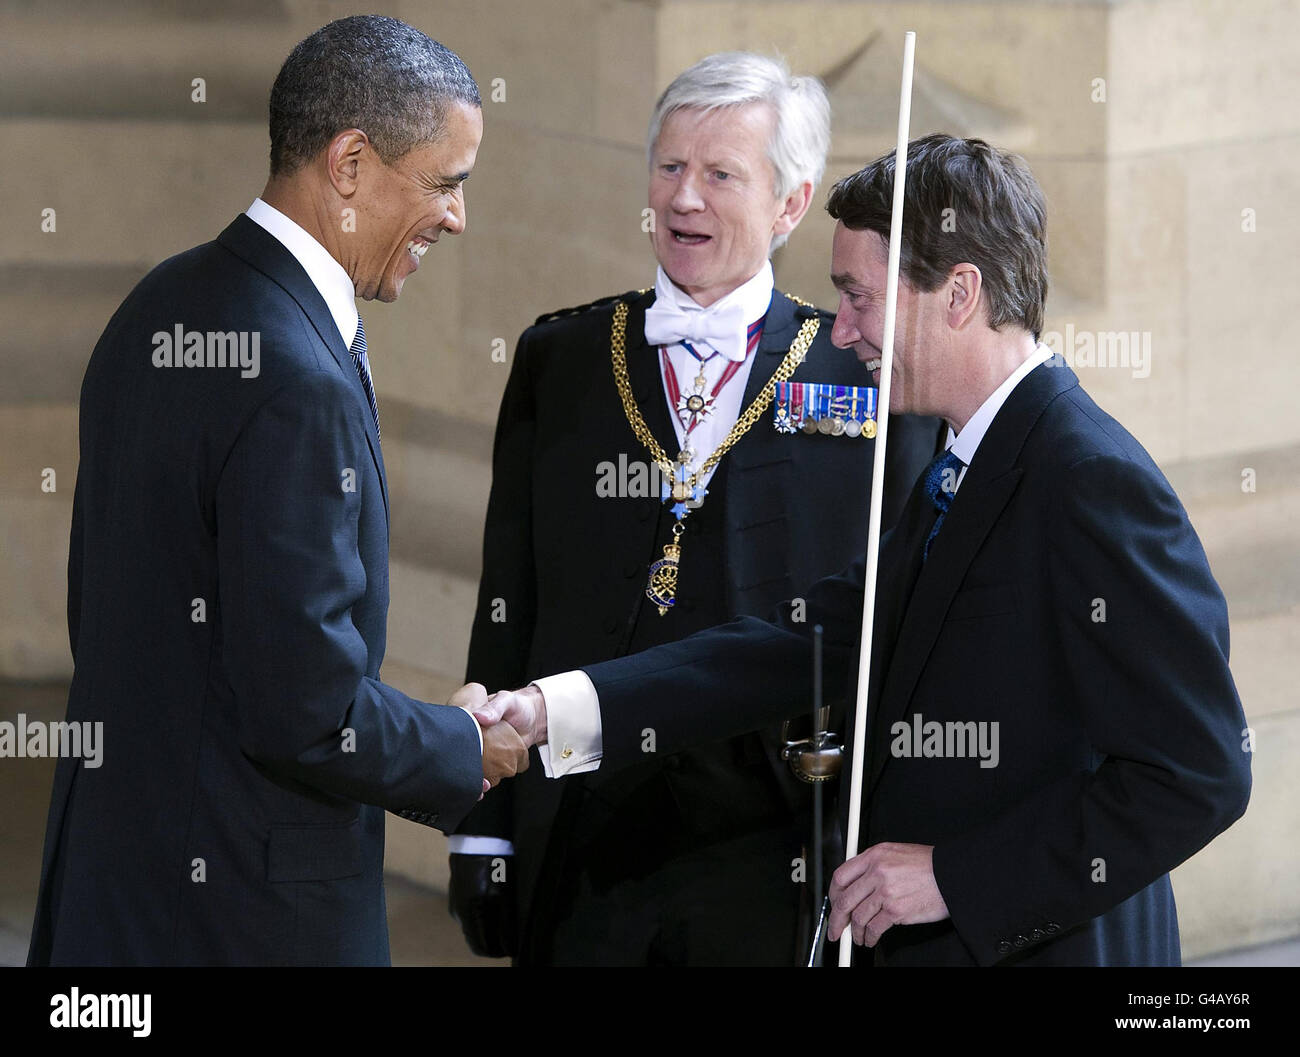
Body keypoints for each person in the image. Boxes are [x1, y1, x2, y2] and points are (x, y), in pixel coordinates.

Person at [476, 135, 1252, 966]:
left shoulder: (1088, 478)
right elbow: (810, 637)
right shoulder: (970, 459)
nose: (840, 332)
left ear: (959, 294)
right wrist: (560, 707)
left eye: (858, 297)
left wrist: (956, 878)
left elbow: (1201, 773)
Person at [27, 15, 528, 967]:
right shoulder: (299, 380)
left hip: (114, 895)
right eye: (445, 183)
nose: (458, 218)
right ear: (350, 164)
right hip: (246, 920)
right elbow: (309, 713)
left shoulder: (162, 303)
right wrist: (462, 744)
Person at [448, 52, 941, 966]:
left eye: (721, 175)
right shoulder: (562, 358)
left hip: (775, 827)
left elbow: (903, 625)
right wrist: (482, 827)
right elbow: (506, 597)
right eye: (670, 167)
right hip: (581, 811)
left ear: (791, 204)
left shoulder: (865, 374)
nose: (685, 199)